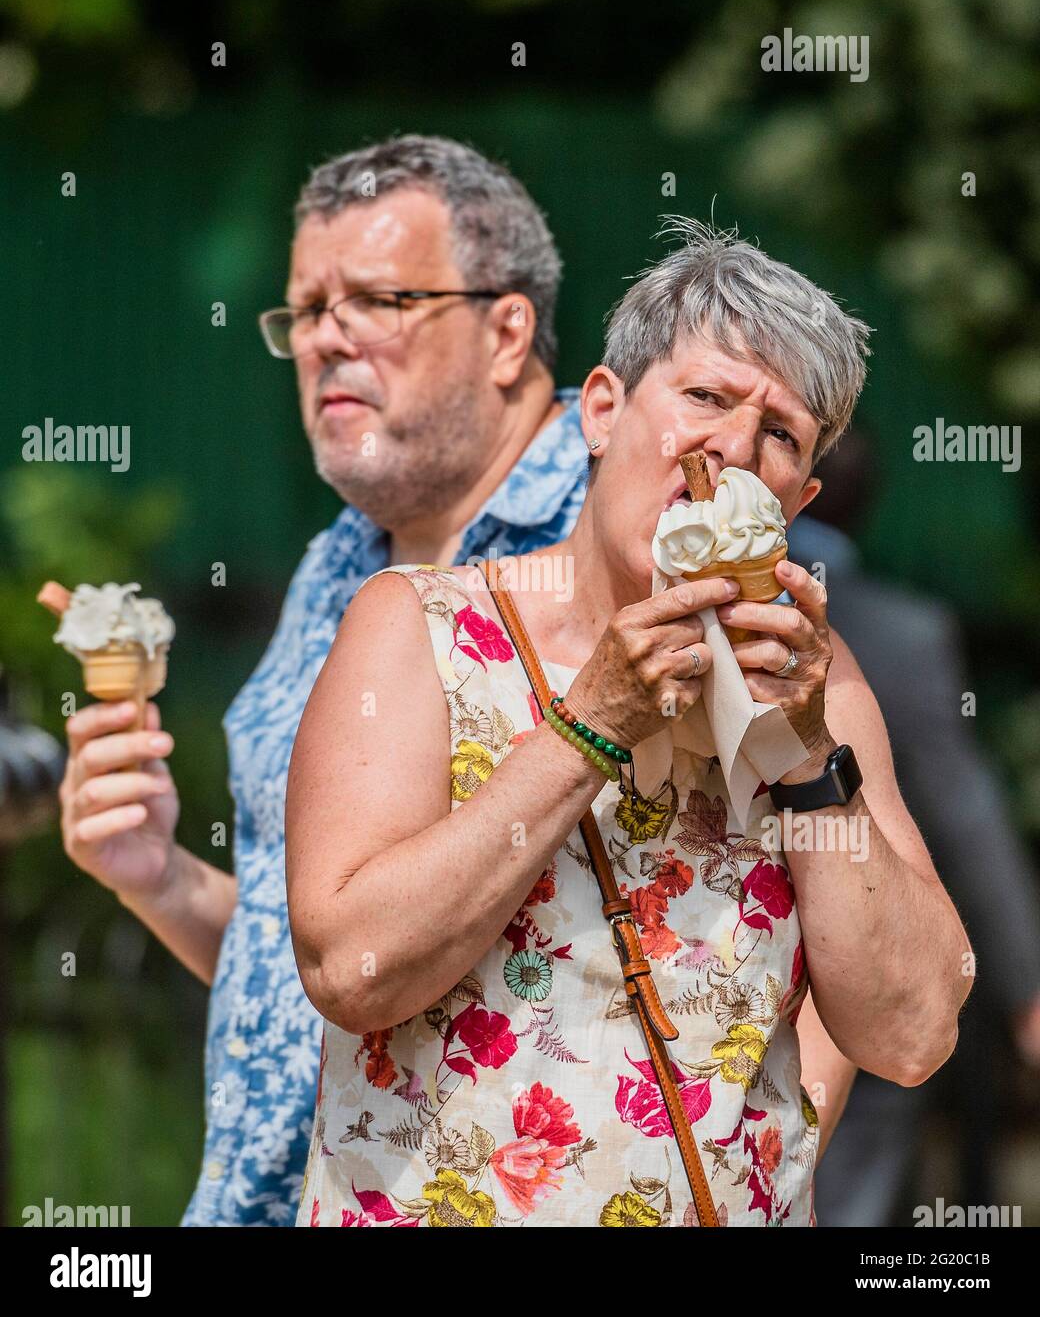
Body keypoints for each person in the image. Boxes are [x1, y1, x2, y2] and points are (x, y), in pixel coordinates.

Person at [53, 136, 852, 1225]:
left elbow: (779, 924)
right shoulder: (342, 561)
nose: (326, 339)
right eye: (304, 311)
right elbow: (346, 950)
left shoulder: (651, 539)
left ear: (508, 330)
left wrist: (739, 1168)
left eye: (375, 300)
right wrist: (160, 881)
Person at [285, 219, 973, 1227]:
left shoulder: (820, 695)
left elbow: (911, 1032)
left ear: (801, 497)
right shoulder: (422, 629)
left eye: (779, 435)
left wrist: (806, 761)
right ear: (599, 411)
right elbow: (351, 968)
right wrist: (585, 727)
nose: (732, 448)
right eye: (703, 397)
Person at [786, 433, 1040, 1226]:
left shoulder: (674, 601)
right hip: (861, 972)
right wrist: (1028, 985)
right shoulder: (904, 631)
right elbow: (966, 815)